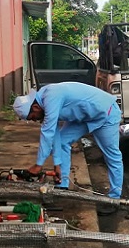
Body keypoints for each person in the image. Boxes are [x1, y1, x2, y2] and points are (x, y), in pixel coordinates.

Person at [13, 82, 123, 215]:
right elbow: (55, 133)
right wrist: (57, 165)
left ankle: (114, 199)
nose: (35, 121)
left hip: (106, 114)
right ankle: (62, 185)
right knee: (63, 141)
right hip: (85, 118)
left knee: (112, 156)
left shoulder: (51, 97)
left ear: (35, 107)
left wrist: (38, 165)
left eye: (33, 118)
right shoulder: (44, 100)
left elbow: (47, 132)